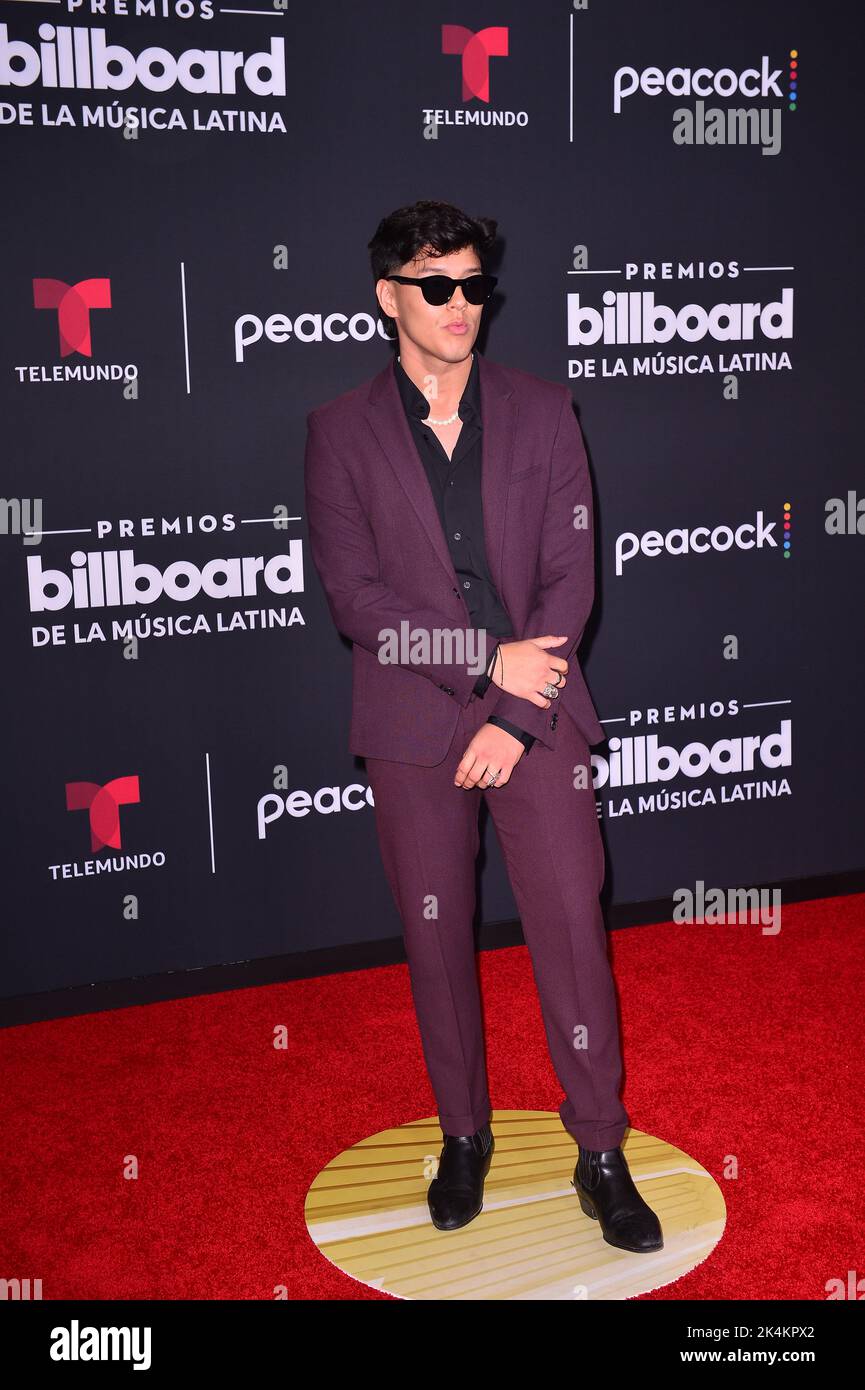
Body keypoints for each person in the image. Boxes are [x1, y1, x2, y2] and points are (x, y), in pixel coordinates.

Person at [303, 199, 662, 1253]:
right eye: (435, 286)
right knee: (434, 938)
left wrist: (511, 703)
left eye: (472, 285)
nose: (460, 305)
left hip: (538, 717)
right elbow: (355, 604)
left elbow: (568, 579)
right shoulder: (338, 430)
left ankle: (600, 1146)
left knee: (569, 928)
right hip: (413, 722)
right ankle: (463, 1135)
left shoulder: (547, 410)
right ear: (388, 298)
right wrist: (476, 662)